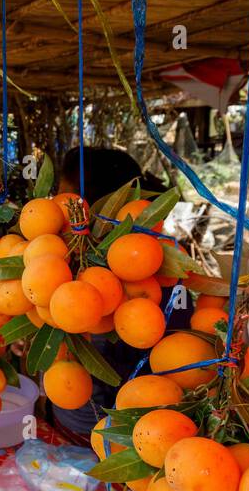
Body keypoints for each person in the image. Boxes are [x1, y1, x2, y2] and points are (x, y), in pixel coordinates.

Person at [49, 146, 190, 444]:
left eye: (63, 195)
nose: (55, 205)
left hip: (122, 430)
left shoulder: (151, 263)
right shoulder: (72, 265)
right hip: (82, 416)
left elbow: (171, 350)